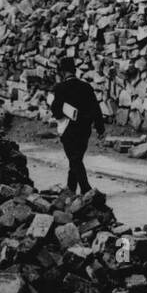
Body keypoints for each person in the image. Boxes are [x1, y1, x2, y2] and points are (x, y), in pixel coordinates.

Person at [48, 56, 105, 194]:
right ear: (74, 70)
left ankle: (86, 189)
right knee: (76, 159)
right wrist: (100, 128)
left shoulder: (59, 88)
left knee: (74, 160)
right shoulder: (86, 87)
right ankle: (71, 189)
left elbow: (56, 112)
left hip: (68, 130)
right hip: (85, 129)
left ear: (61, 72)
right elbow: (96, 109)